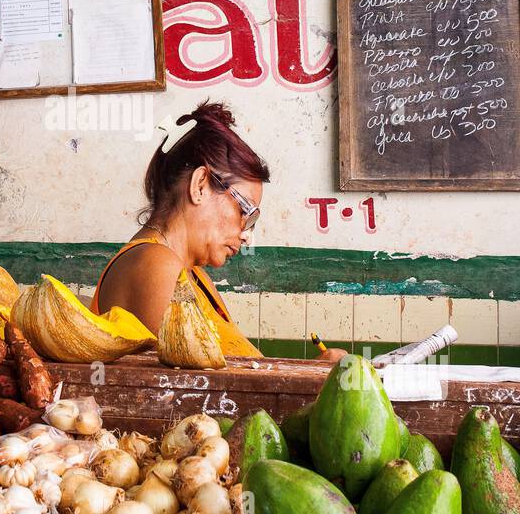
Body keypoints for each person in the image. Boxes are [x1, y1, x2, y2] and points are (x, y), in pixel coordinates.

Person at [91, 101, 344, 362]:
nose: (246, 234)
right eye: (244, 210)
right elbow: (186, 393)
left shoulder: (193, 274)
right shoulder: (156, 265)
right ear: (200, 186)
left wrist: (312, 371)